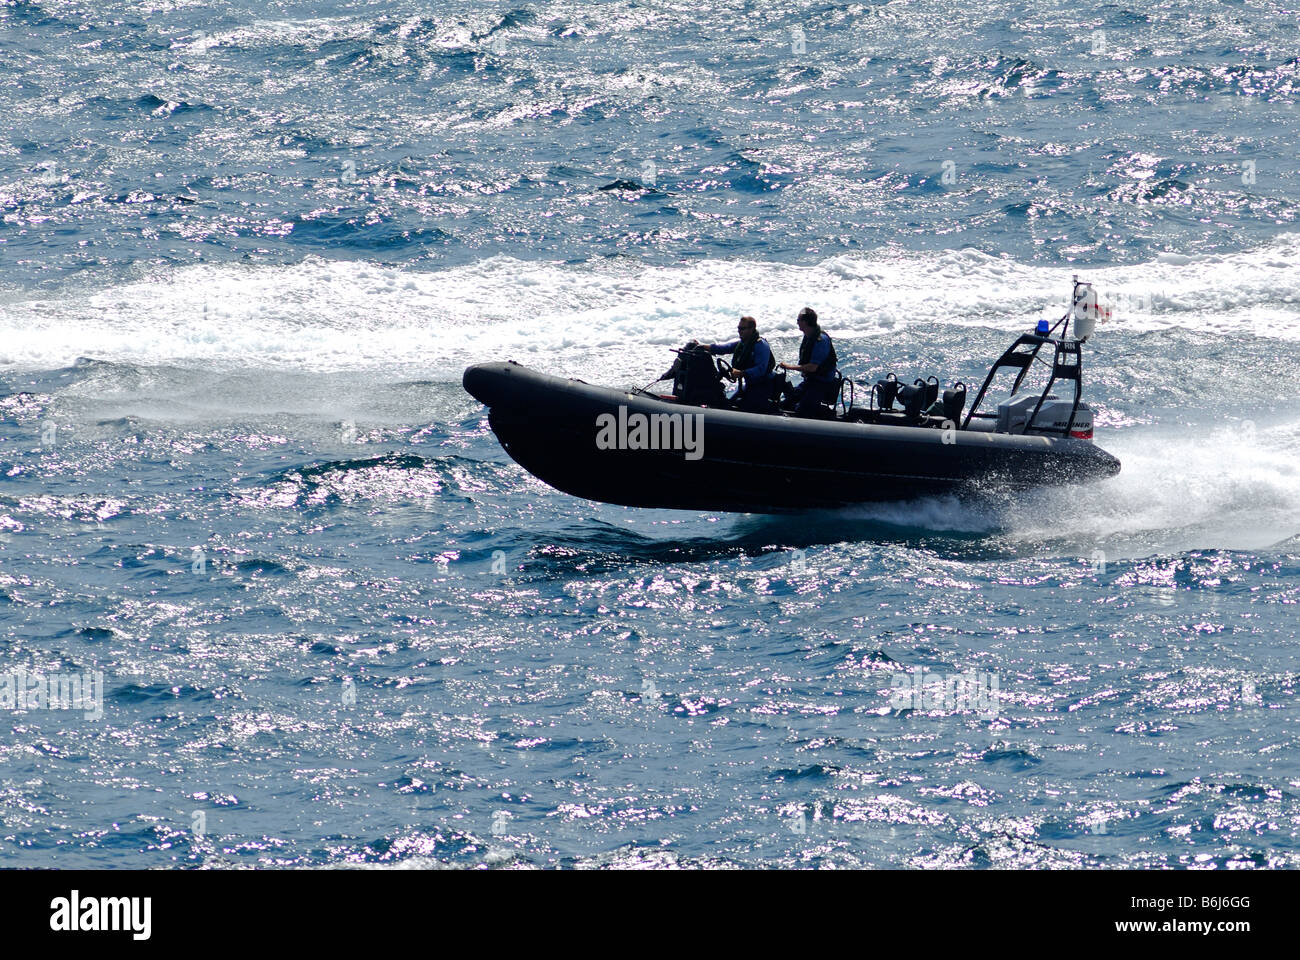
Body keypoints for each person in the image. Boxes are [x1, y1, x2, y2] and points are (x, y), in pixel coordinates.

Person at [706, 315, 776, 411]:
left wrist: (742, 373)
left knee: (743, 408)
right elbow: (724, 348)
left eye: (742, 328)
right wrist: (703, 346)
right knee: (730, 404)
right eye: (739, 328)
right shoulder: (742, 344)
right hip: (750, 385)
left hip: (763, 386)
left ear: (752, 329)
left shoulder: (761, 345)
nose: (739, 331)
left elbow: (761, 369)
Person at [779, 307, 838, 417]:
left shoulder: (821, 340)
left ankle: (825, 414)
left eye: (798, 320)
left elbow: (812, 367)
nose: (797, 323)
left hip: (821, 383)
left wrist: (789, 367)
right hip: (810, 381)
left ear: (805, 322)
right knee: (786, 403)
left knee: (802, 410)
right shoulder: (809, 336)